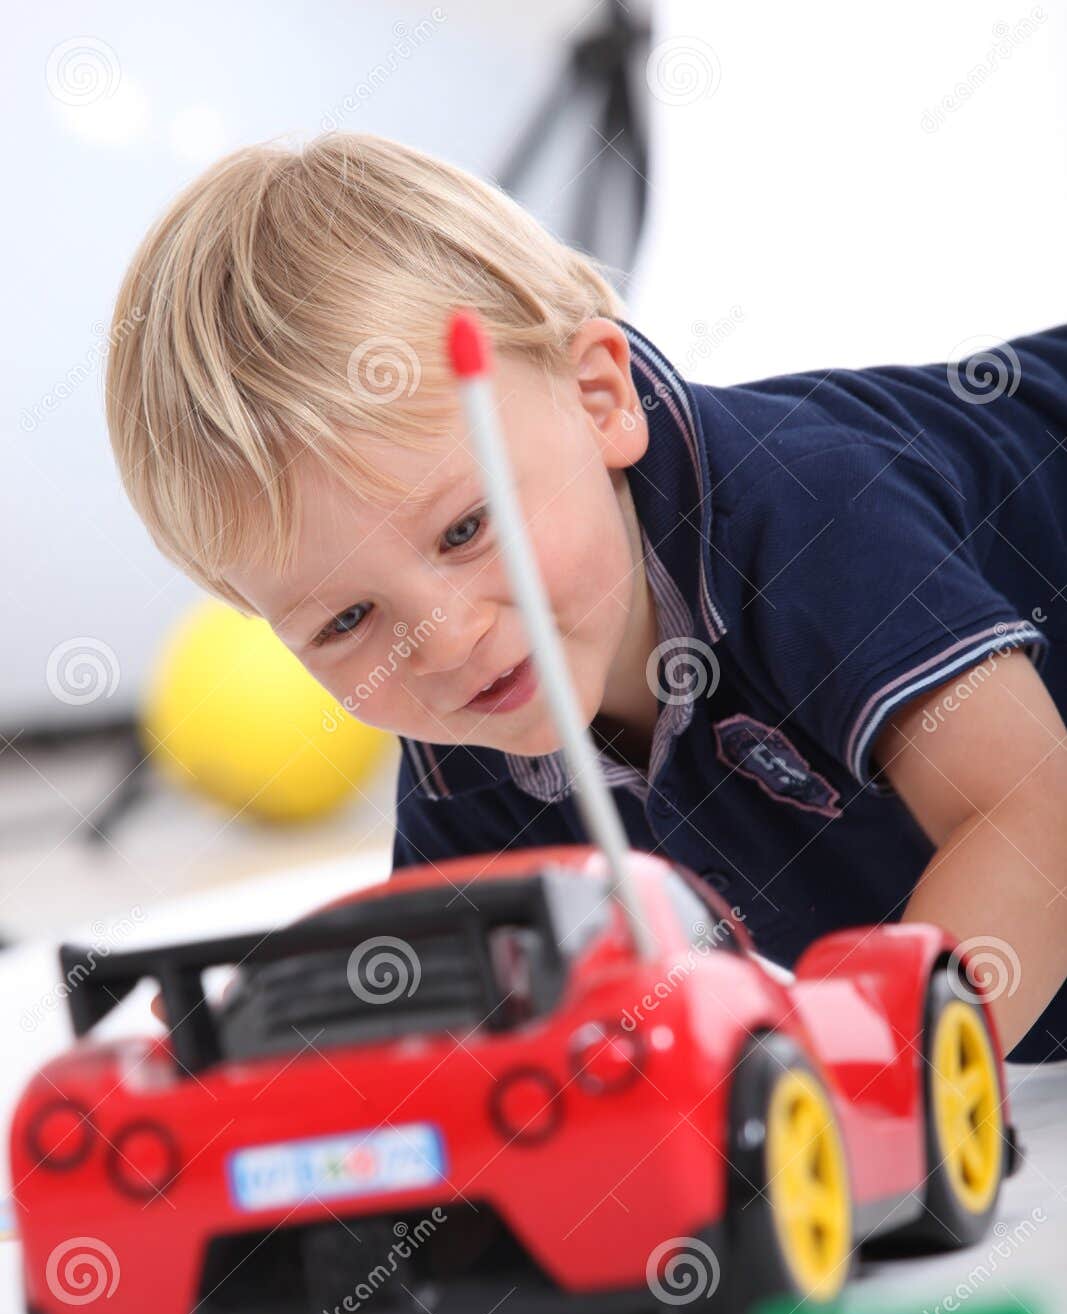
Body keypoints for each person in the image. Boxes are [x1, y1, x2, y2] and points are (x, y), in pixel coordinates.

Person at [105, 132, 1067, 1063]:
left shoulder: (812, 510)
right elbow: (459, 1032)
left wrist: (851, 1091)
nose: (440, 643)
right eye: (347, 620)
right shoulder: (472, 738)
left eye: (466, 529)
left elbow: (1034, 820)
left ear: (600, 399)